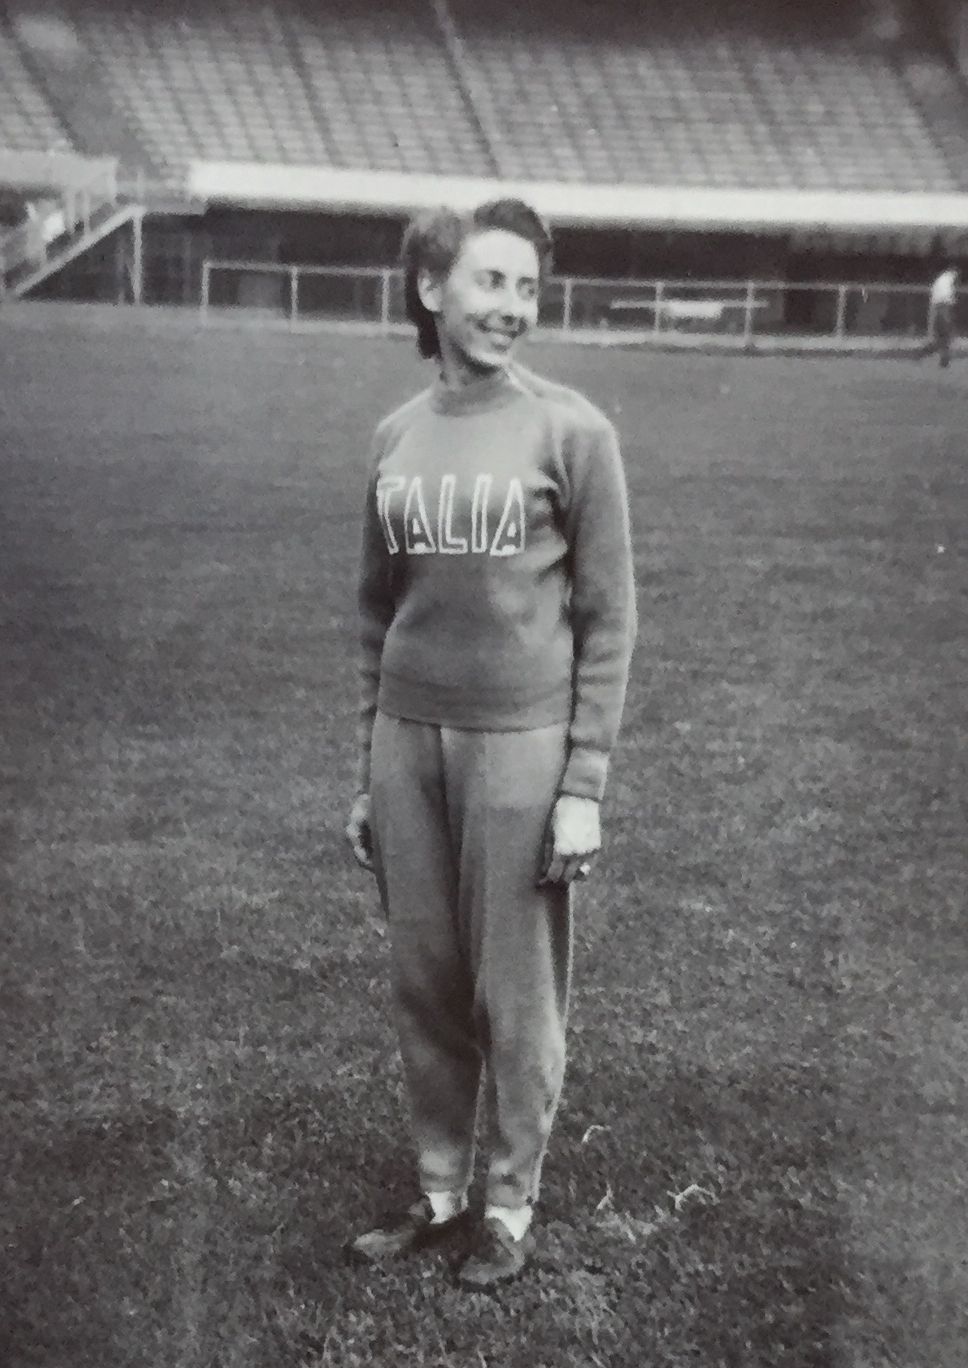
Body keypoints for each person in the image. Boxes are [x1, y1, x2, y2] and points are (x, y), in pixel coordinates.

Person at [344, 198, 636, 1289]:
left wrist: (583, 783)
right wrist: (367, 772)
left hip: (520, 747)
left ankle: (507, 1206)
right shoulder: (393, 437)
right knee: (423, 979)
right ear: (431, 289)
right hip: (406, 743)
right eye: (490, 281)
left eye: (527, 286)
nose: (513, 305)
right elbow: (377, 614)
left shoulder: (575, 433)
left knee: (515, 995)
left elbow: (608, 617)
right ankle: (436, 1190)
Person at [918, 263, 959, 367]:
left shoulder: (941, 279)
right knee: (945, 335)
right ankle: (942, 359)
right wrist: (952, 301)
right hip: (942, 307)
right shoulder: (948, 279)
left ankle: (928, 354)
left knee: (940, 336)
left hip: (937, 307)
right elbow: (946, 296)